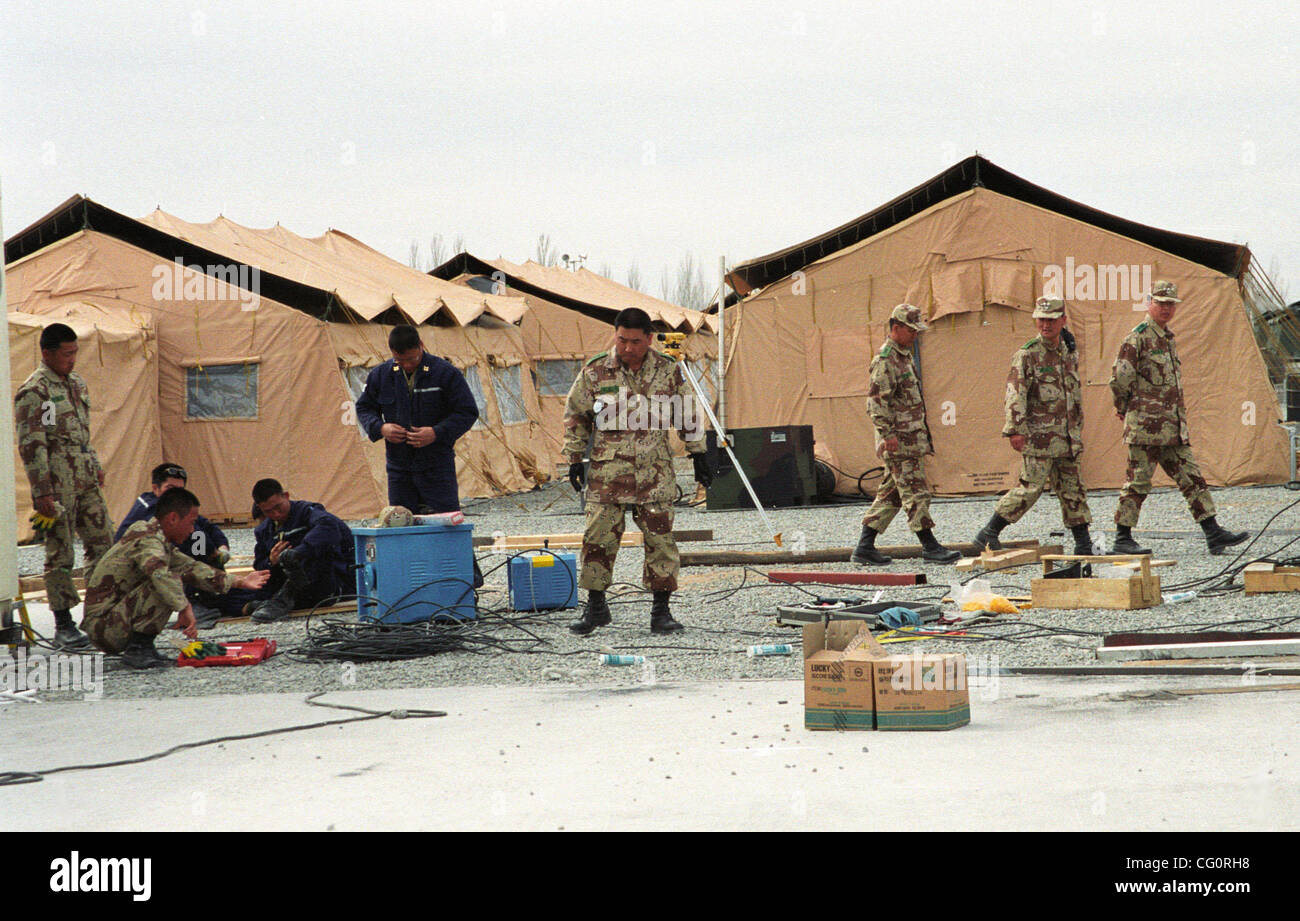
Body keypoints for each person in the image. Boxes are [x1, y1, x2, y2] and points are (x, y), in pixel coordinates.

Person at [563, 307, 712, 635]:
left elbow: (686, 413)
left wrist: (699, 454)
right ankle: (596, 607)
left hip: (654, 475)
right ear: (615, 335)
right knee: (597, 540)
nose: (627, 348)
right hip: (607, 474)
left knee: (661, 541)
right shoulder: (596, 371)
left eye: (634, 341)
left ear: (649, 338)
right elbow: (576, 414)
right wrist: (574, 458)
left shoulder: (668, 372)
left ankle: (661, 612)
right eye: (621, 340)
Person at [1107, 281, 1248, 555]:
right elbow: (1119, 379)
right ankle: (1122, 539)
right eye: (1161, 303)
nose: (1166, 309)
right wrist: (1125, 408)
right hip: (1146, 428)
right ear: (1150, 303)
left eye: (1171, 304)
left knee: (1191, 477)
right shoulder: (1138, 338)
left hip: (1172, 428)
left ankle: (1213, 532)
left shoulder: (1167, 338)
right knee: (1137, 482)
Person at [81, 488, 270, 669]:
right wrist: (184, 606)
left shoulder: (156, 538)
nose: (192, 530)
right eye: (190, 522)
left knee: (171, 579)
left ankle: (143, 647)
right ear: (172, 518)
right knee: (164, 581)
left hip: (110, 623)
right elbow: (158, 573)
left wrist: (240, 581)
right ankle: (138, 650)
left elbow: (192, 568)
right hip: (104, 629)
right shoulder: (148, 538)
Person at [14, 323, 114, 650]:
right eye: (67, 353)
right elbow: (33, 444)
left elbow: (82, 432)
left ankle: (100, 614)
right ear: (47, 353)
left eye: (75, 353)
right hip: (57, 479)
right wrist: (42, 491)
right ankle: (63, 622)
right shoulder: (37, 391)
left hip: (84, 474)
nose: (72, 359)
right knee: (61, 551)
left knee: (103, 542)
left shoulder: (76, 384)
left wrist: (95, 465)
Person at [973, 298, 1095, 554]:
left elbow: (1072, 392)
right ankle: (988, 532)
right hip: (1039, 437)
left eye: (1051, 319)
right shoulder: (1028, 354)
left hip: (1067, 436)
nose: (1045, 324)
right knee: (1030, 489)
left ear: (1063, 320)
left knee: (1073, 489)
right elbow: (1015, 394)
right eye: (1041, 319)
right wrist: (1015, 429)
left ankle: (1083, 544)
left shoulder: (1068, 351)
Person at [850, 304, 961, 565]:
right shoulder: (886, 360)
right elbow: (876, 403)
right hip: (899, 440)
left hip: (909, 438)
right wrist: (887, 435)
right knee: (915, 491)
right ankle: (930, 546)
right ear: (896, 328)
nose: (915, 335)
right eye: (911, 330)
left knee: (891, 494)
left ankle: (864, 547)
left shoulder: (903, 356)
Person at [355, 324, 479, 515]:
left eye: (411, 359)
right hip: (399, 469)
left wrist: (436, 433)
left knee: (444, 524)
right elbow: (364, 407)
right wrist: (381, 428)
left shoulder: (445, 373)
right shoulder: (381, 375)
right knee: (401, 525)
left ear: (421, 345)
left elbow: (467, 412)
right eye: (399, 360)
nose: (406, 365)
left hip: (437, 467)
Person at [115, 462, 255, 626]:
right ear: (155, 489)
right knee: (194, 546)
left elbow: (207, 525)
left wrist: (222, 547)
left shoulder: (170, 504)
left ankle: (217, 598)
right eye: (170, 488)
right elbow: (194, 536)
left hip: (152, 568)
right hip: (133, 582)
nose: (175, 494)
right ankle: (197, 601)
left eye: (180, 490)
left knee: (199, 547)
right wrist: (212, 555)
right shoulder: (151, 508)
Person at [249, 478, 355, 622]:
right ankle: (274, 600)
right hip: (295, 585)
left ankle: (280, 601)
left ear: (286, 496)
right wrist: (271, 561)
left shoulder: (308, 512)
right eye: (268, 511)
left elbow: (329, 527)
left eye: (279, 507)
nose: (276, 514)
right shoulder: (264, 530)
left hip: (330, 581)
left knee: (313, 553)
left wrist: (298, 552)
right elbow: (259, 566)